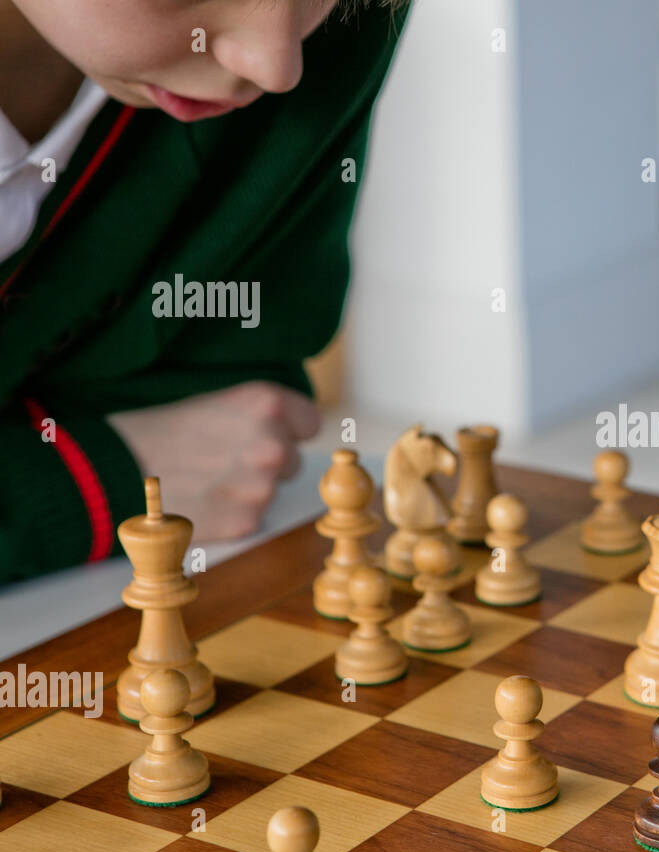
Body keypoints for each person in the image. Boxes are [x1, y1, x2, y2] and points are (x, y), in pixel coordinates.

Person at [0, 0, 409, 582]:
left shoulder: (341, 25)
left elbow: (224, 393)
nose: (275, 68)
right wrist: (95, 477)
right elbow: (175, 453)